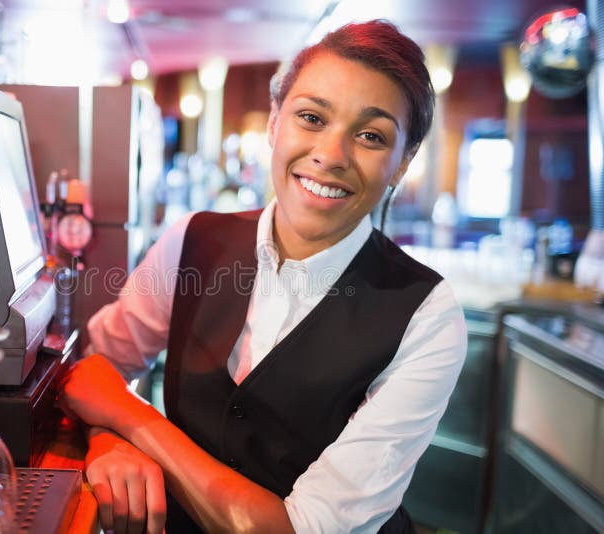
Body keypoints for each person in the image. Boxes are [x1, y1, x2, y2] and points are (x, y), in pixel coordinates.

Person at [59, 19, 467, 534]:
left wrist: (134, 420)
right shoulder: (192, 241)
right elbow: (93, 373)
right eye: (311, 117)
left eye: (370, 135)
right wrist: (107, 439)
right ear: (275, 123)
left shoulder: (426, 316)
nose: (330, 155)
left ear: (403, 162)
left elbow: (303, 528)